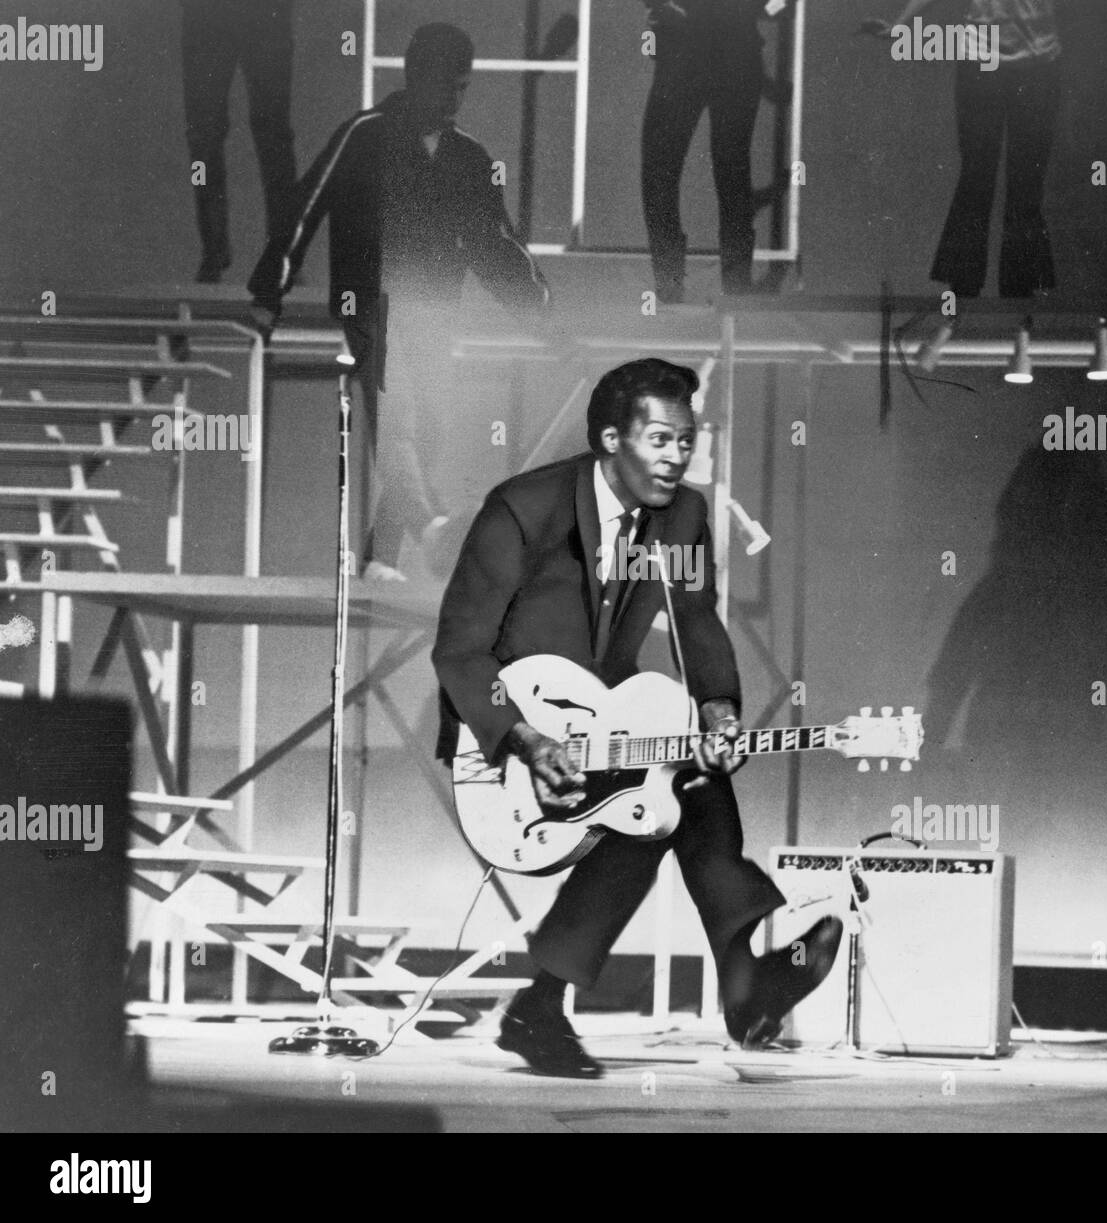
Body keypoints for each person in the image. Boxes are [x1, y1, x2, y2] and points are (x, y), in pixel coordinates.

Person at [433, 358, 842, 1077]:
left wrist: (718, 712)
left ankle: (736, 985)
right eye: (659, 439)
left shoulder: (681, 515)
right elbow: (460, 649)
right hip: (503, 744)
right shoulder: (524, 510)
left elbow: (695, 619)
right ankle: (561, 1001)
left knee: (680, 788)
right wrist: (527, 740)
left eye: (686, 441)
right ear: (610, 438)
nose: (676, 457)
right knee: (652, 809)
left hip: (604, 720)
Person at [248, 23, 550, 580]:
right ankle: (431, 530)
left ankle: (381, 557)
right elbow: (304, 207)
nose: (454, 99)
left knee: (430, 431)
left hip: (435, 316)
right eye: (445, 86)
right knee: (398, 423)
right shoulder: (364, 133)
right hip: (370, 310)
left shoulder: (468, 156)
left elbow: (495, 244)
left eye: (463, 88)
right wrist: (270, 291)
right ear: (415, 78)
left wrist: (543, 312)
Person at [870, 0, 1063, 299]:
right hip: (980, 65)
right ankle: (963, 289)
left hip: (1038, 68)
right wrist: (901, 24)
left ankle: (1020, 296)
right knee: (976, 177)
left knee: (1026, 183)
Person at [640, 0, 769, 302]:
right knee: (731, 168)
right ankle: (734, 286)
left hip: (691, 48)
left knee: (663, 166)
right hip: (730, 48)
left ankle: (673, 281)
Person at [181, 0, 298, 283]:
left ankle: (282, 250)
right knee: (204, 134)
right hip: (208, 15)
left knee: (274, 134)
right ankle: (214, 250)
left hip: (265, 13)